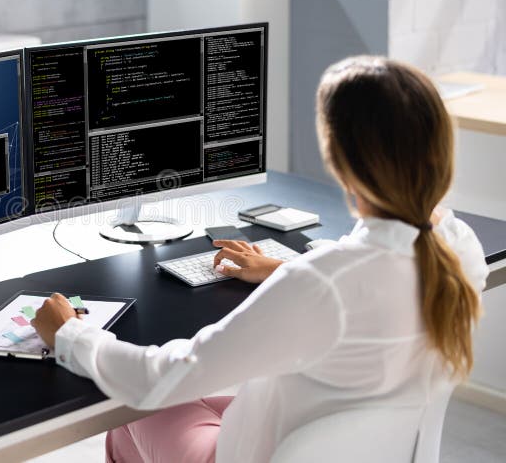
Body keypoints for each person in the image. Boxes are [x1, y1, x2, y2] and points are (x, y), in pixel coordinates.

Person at [32, 56, 488, 463]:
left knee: (129, 415)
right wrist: (283, 270)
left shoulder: (322, 284)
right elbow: (366, 290)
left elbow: (160, 380)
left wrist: (71, 334)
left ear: (340, 162)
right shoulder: (460, 250)